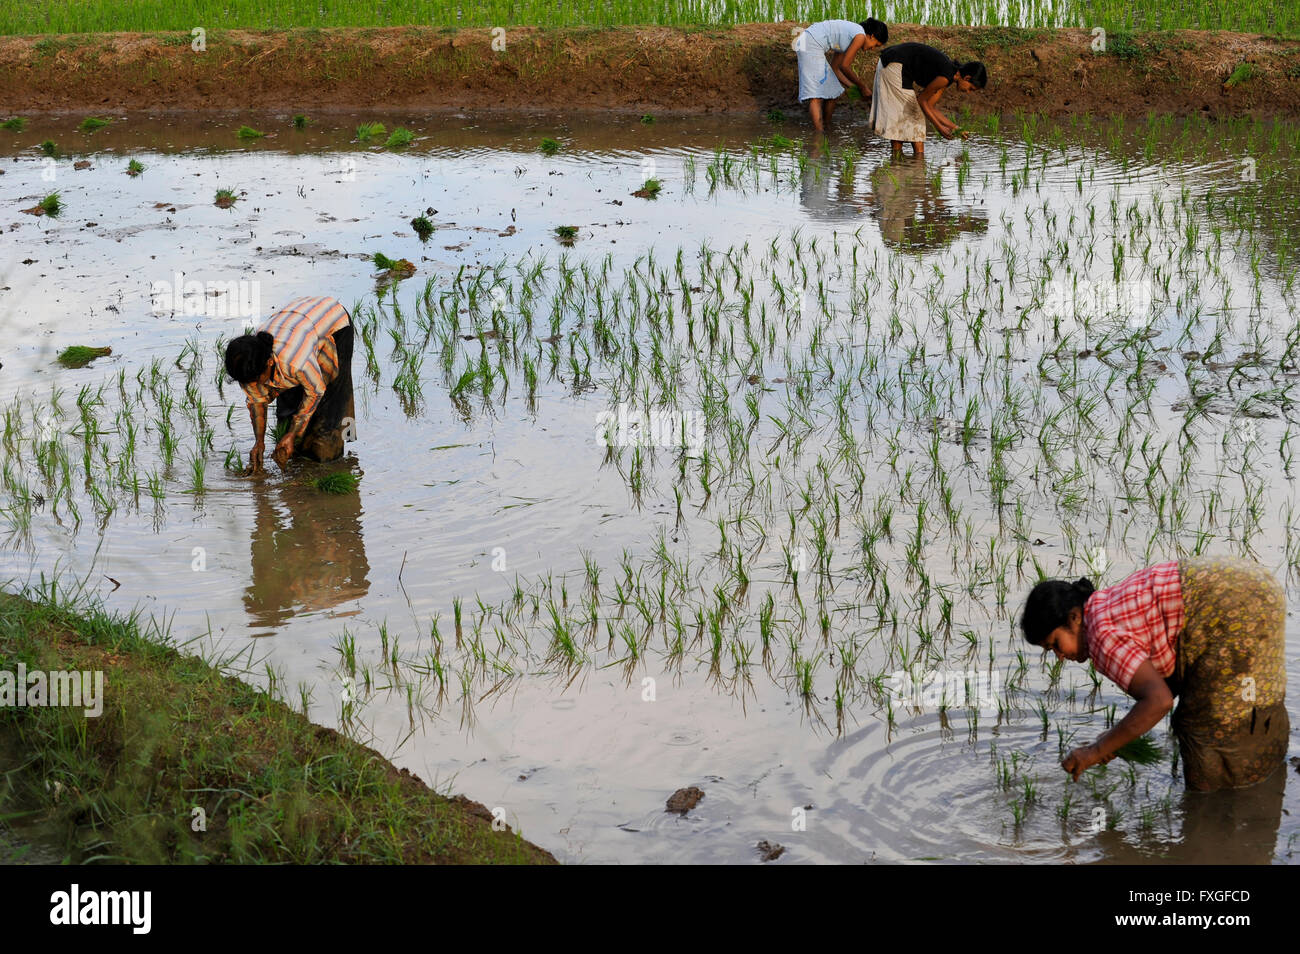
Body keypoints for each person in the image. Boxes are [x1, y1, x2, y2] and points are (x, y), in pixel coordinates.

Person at [1020, 558, 1290, 792]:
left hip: (1229, 606)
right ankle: (1267, 787)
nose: (1059, 656)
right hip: (1251, 584)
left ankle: (1213, 818)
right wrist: (1110, 743)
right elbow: (1167, 680)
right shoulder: (1104, 605)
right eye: (1049, 651)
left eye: (1055, 644)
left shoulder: (1100, 635)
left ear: (1074, 618)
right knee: (1256, 700)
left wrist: (1094, 752)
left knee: (1202, 729)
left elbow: (1158, 701)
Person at [224, 296, 356, 473]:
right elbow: (257, 402)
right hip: (298, 324)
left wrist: (293, 434)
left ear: (270, 362)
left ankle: (343, 458)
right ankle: (296, 450)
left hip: (334, 323)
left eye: (257, 380)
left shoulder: (295, 362)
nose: (253, 386)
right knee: (288, 414)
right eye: (248, 382)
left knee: (333, 398)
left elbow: (315, 392)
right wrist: (259, 442)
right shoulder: (249, 365)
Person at [869, 41, 985, 157]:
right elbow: (921, 101)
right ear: (967, 77)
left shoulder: (948, 77)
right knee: (914, 116)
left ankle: (902, 160)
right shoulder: (945, 76)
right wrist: (940, 128)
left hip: (895, 64)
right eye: (971, 88)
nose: (968, 92)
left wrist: (954, 128)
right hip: (893, 64)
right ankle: (917, 162)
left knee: (907, 116)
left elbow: (930, 106)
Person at [796, 18, 888, 133]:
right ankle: (819, 135)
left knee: (833, 91)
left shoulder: (849, 38)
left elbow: (835, 68)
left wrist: (853, 87)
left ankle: (827, 127)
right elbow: (845, 66)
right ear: (871, 36)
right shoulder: (860, 36)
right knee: (816, 94)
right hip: (809, 44)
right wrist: (862, 86)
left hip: (809, 42)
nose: (872, 48)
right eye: (875, 45)